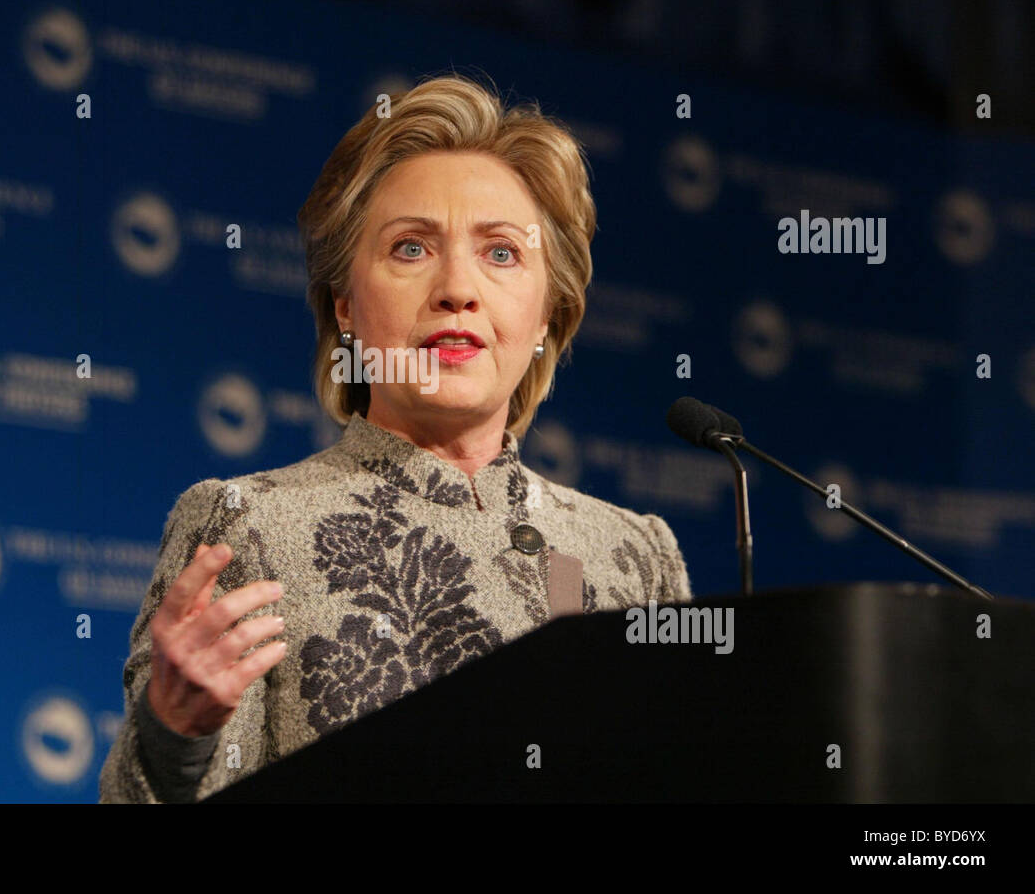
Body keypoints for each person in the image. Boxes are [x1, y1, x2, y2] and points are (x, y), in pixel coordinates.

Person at [99, 73, 692, 803]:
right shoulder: (247, 528)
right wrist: (174, 736)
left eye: (501, 253)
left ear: (546, 317)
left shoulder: (635, 558)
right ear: (346, 306)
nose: (458, 288)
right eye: (411, 248)